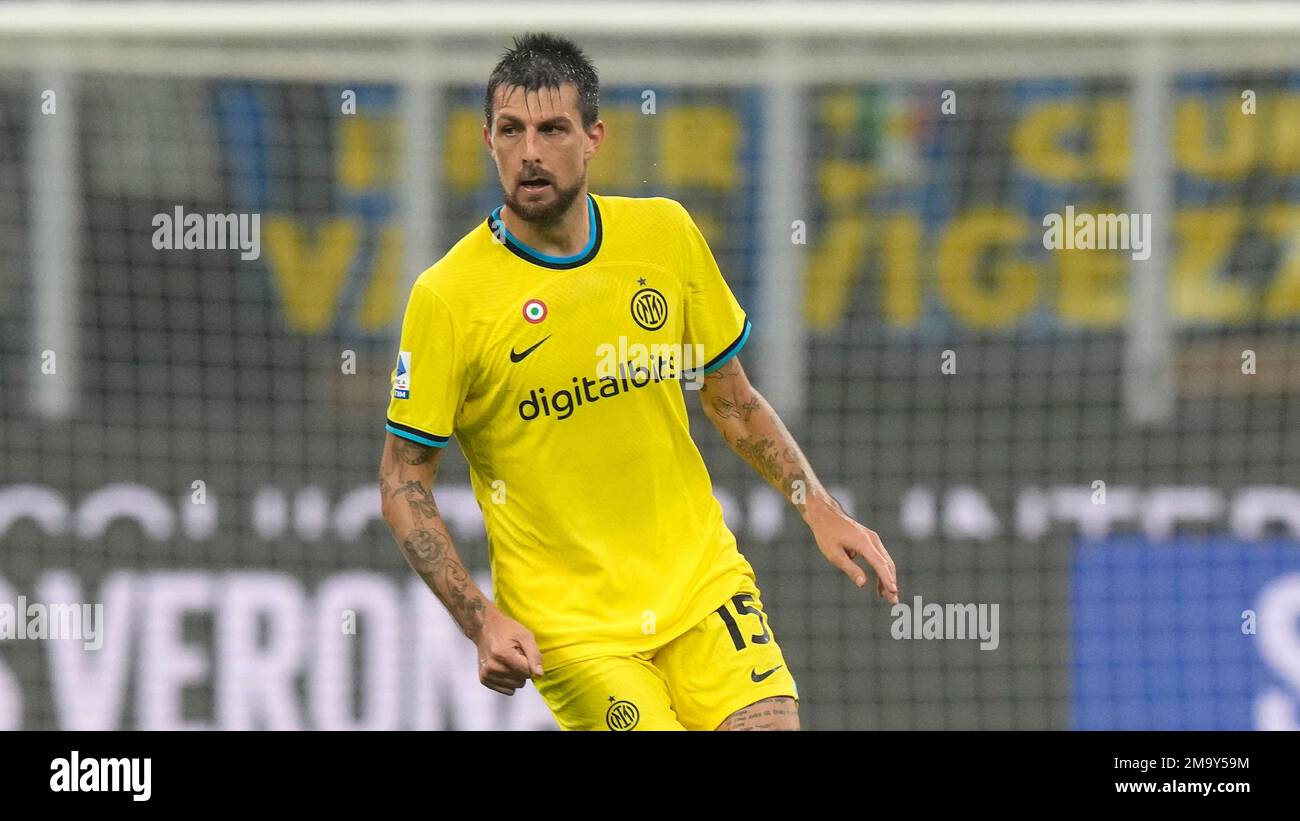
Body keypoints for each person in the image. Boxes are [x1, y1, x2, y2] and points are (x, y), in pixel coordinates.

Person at [379, 32, 898, 731]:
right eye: (511, 130)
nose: (530, 150)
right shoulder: (448, 297)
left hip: (702, 586)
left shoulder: (664, 235)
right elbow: (403, 483)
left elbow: (733, 401)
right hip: (577, 632)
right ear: (487, 139)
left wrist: (818, 505)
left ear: (593, 136)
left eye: (552, 129)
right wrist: (479, 619)